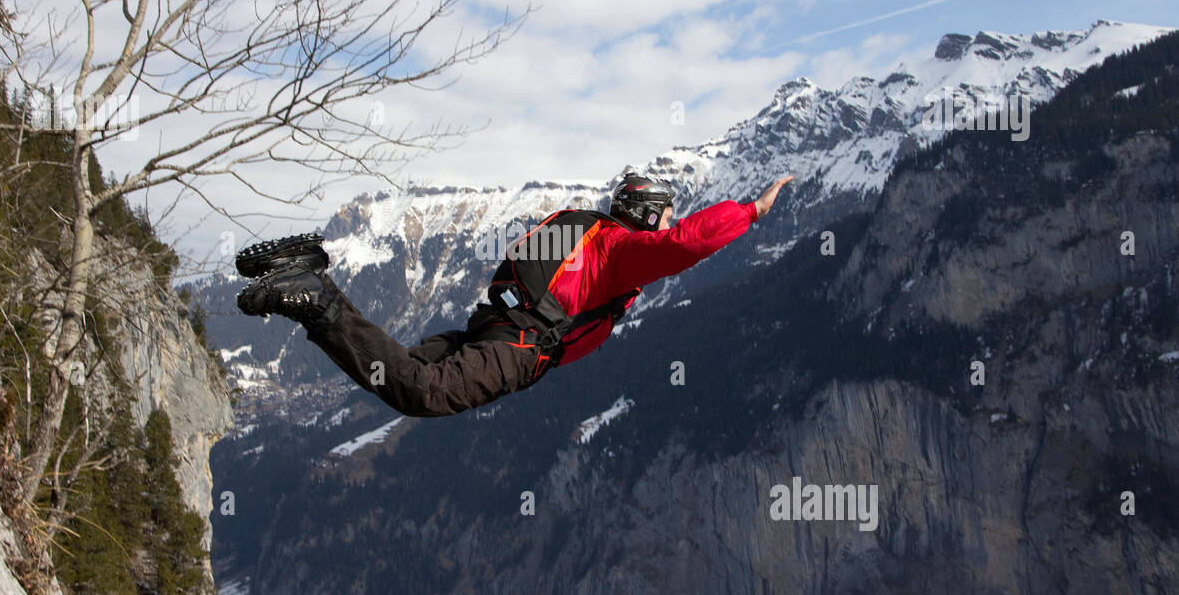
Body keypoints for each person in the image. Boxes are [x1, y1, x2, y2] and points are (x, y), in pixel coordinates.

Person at [236, 171, 794, 417]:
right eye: (665, 213)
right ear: (647, 217)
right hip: (517, 349)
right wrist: (750, 211)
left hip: (493, 324)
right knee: (420, 393)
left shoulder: (580, 224)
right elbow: (684, 244)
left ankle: (305, 274)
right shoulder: (622, 251)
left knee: (401, 370)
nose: (671, 221)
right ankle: (313, 298)